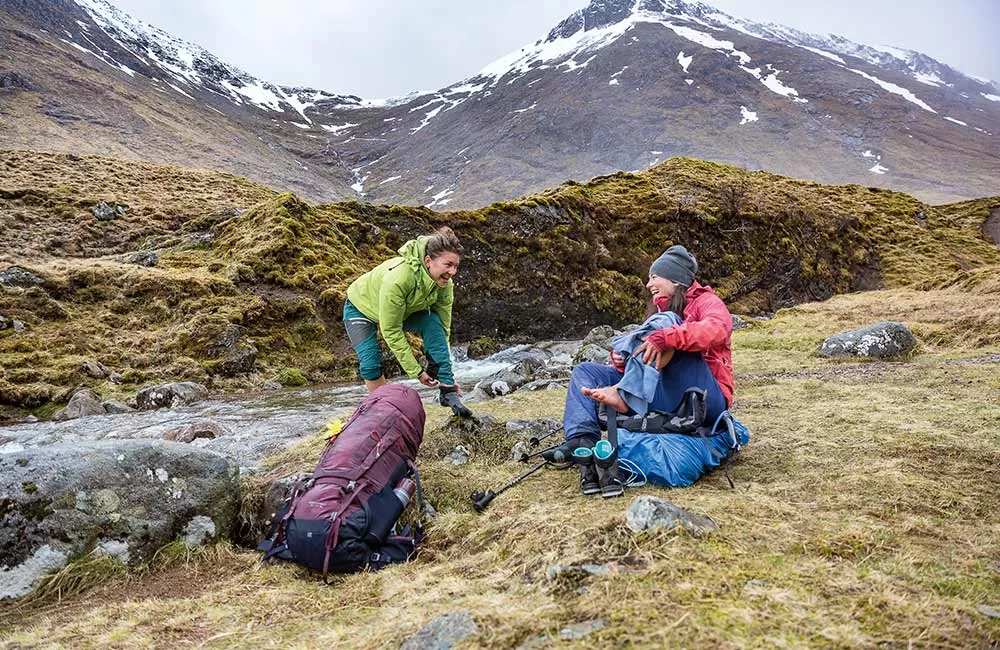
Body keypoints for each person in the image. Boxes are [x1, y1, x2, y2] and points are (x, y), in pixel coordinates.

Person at [556, 244, 745, 495]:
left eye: (654, 277)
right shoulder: (661, 312)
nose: (648, 284)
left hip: (703, 398)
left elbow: (717, 330)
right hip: (663, 394)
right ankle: (583, 443)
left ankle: (622, 394)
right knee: (586, 373)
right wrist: (624, 361)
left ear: (674, 278)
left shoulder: (706, 303)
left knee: (668, 324)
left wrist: (667, 337)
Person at [343, 226, 472, 417]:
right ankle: (384, 411)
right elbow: (391, 330)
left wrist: (444, 374)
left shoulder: (445, 283)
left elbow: (443, 329)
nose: (453, 271)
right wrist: (417, 372)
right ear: (428, 261)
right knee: (370, 363)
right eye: (448, 265)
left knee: (432, 323)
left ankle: (448, 394)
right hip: (360, 308)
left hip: (404, 311)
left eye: (456, 266)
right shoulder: (399, 280)